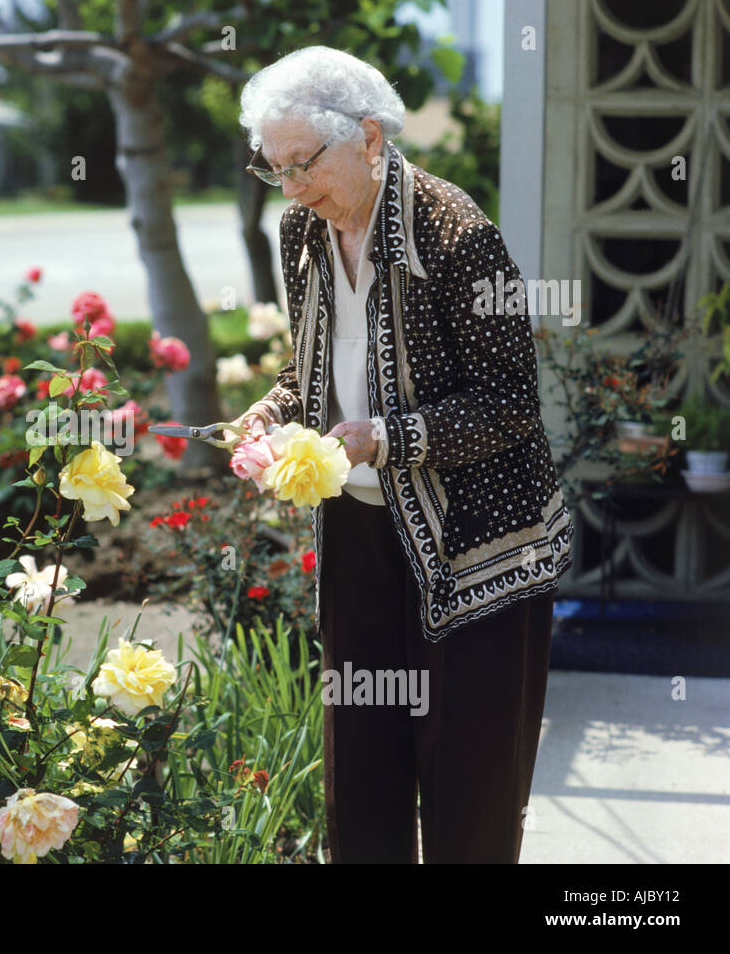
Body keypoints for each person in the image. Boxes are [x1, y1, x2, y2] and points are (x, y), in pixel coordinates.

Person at [233, 46, 575, 863]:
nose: (290, 188)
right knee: (363, 770)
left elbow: (510, 405)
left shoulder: (457, 233)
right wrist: (272, 410)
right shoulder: (302, 230)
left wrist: (386, 437)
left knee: (473, 789)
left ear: (371, 138)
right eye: (272, 168)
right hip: (360, 529)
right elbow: (310, 366)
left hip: (479, 542)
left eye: (303, 165)